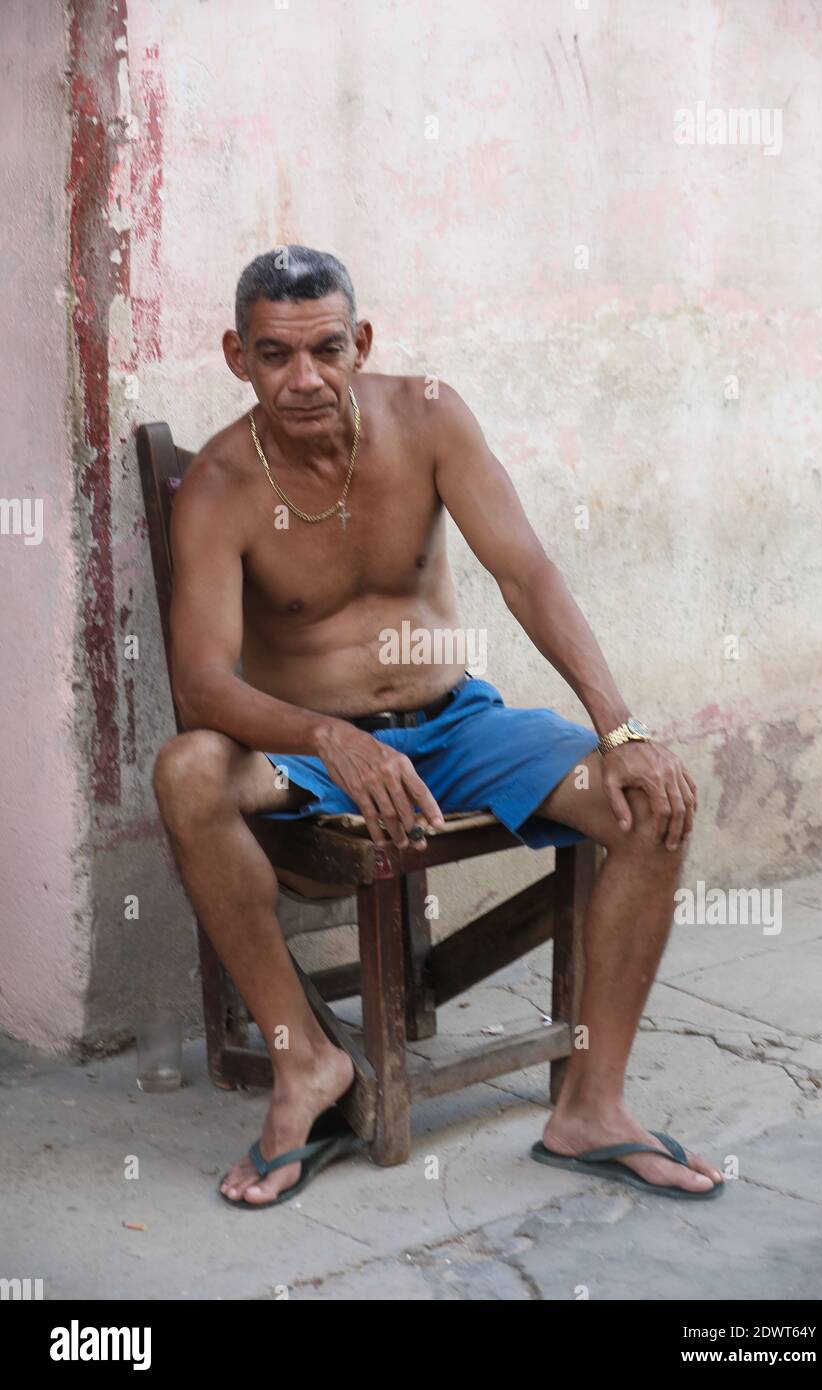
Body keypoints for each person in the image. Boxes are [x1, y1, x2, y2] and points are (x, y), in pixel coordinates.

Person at [152, 245, 724, 1209]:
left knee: (649, 807)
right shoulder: (217, 486)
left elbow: (525, 572)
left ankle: (592, 1107)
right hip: (313, 753)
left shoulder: (426, 417)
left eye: (326, 350)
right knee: (186, 774)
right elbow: (202, 685)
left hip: (458, 725)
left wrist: (620, 730)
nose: (303, 379)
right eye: (273, 355)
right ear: (235, 356)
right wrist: (332, 738)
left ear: (359, 341)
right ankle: (308, 1068)